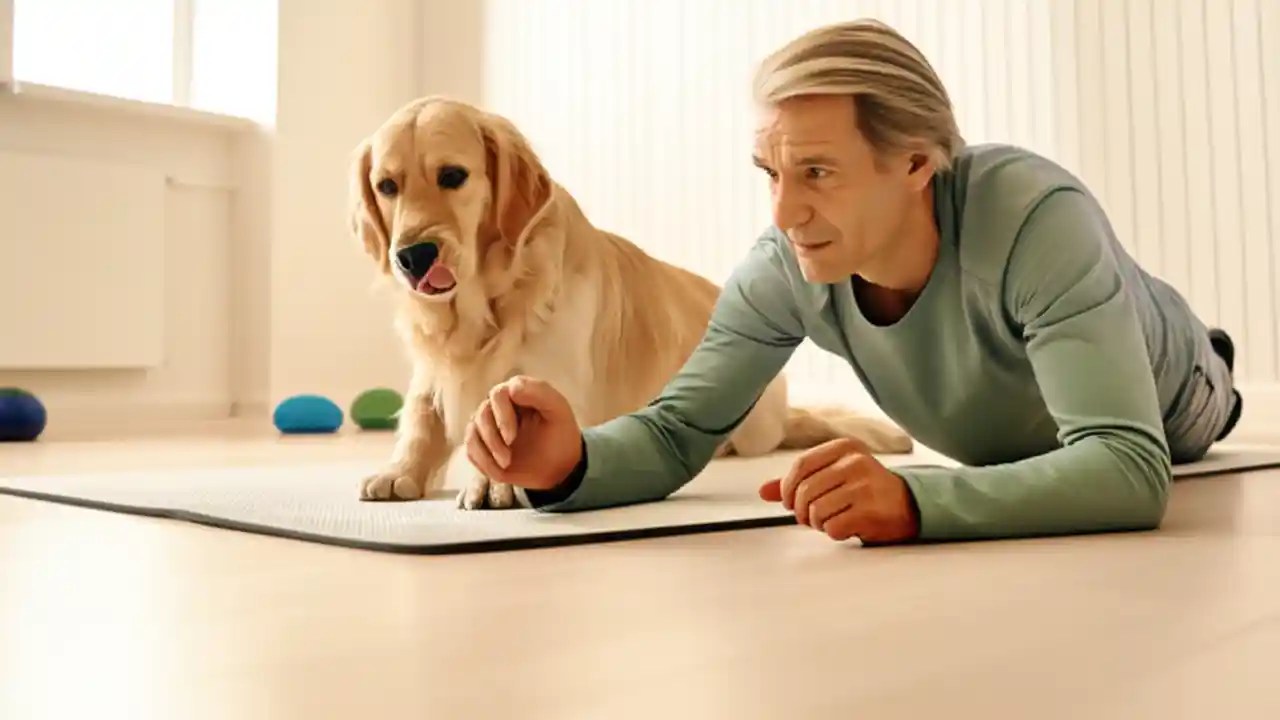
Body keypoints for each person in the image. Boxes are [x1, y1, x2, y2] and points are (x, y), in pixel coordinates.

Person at [462, 19, 1243, 545]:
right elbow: (675, 432)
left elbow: (1127, 466)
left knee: (1194, 392)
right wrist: (569, 465)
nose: (785, 209)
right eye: (769, 171)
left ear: (914, 162)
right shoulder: (789, 262)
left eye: (817, 172)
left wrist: (915, 502)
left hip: (1180, 392)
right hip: (1017, 431)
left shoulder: (1038, 217)